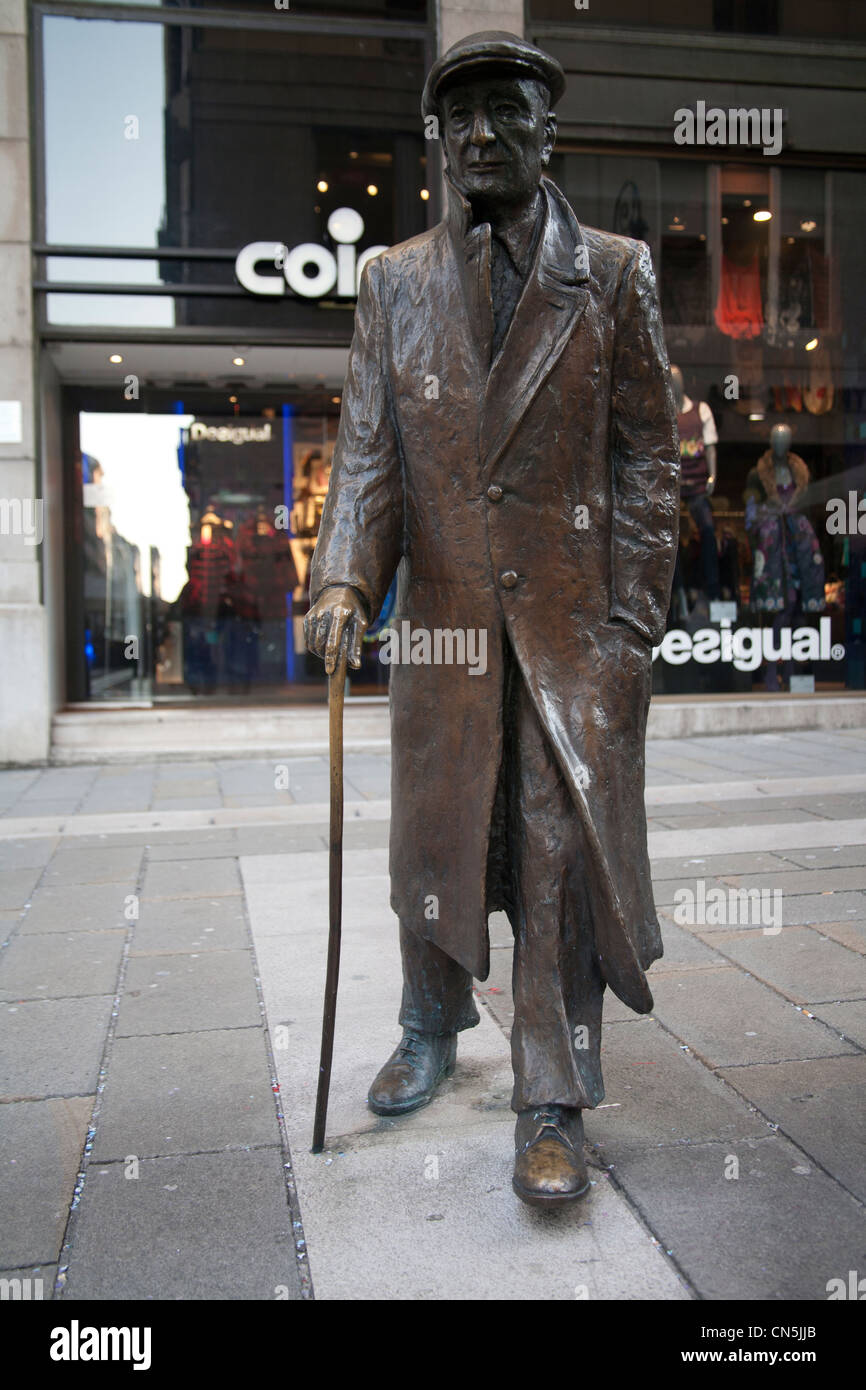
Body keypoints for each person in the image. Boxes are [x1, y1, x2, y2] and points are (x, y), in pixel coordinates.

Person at [305, 31, 679, 1207]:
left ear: (544, 130)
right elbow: (367, 454)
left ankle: (550, 1096)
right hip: (445, 627)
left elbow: (648, 460)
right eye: (458, 118)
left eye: (504, 115)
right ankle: (427, 1022)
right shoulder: (392, 280)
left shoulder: (612, 272)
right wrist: (343, 583)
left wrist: (630, 625)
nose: (480, 137)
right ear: (436, 139)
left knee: (555, 854)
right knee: (435, 836)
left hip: (572, 632)